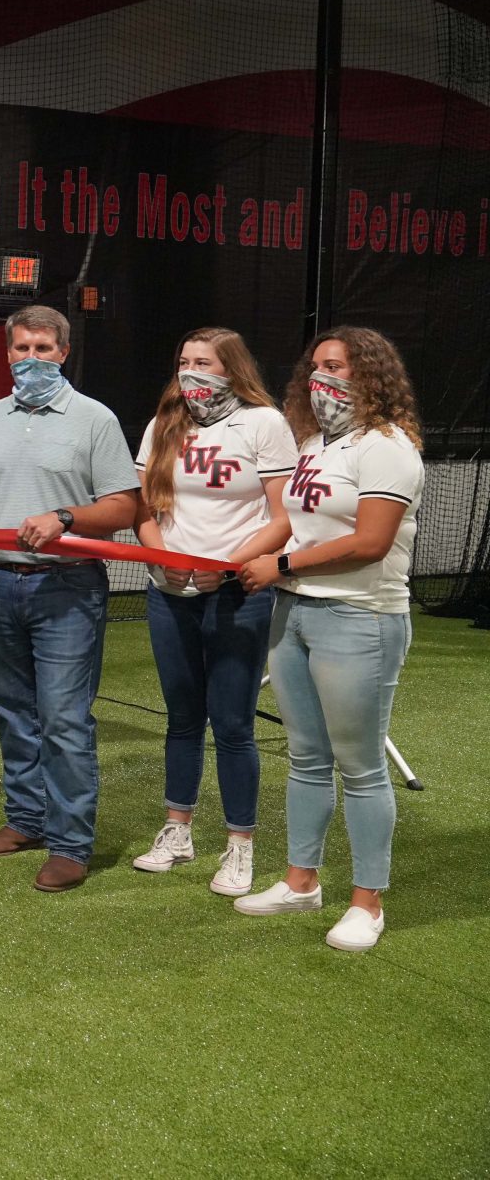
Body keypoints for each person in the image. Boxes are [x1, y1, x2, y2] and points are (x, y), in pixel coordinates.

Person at [233, 327, 423, 952]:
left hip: (360, 617)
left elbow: (369, 542)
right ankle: (300, 882)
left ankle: (368, 903)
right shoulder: (315, 443)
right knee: (307, 757)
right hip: (297, 614)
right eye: (316, 366)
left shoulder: (387, 447)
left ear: (371, 375)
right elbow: (299, 524)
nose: (322, 380)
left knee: (362, 766)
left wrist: (281, 566)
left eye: (338, 367)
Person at [0, 305, 138, 893]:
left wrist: (64, 518)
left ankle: (70, 844)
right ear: (7, 354)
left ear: (63, 353)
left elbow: (124, 507)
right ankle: (27, 821)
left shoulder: (95, 420)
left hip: (66, 586)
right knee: (12, 710)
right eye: (22, 349)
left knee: (63, 719)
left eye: (43, 349)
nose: (31, 359)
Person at [130, 328, 296, 897]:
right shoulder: (162, 424)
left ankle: (240, 846)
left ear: (233, 369)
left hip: (236, 594)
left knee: (231, 723)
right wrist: (164, 557)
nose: (192, 372)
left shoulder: (264, 424)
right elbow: (144, 509)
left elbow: (282, 518)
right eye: (184, 362)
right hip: (169, 591)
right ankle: (178, 831)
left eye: (205, 363)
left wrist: (224, 565)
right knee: (181, 718)